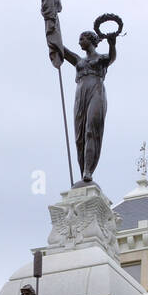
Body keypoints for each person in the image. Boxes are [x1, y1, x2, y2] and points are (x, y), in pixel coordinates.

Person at [62, 30, 117, 183]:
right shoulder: (79, 60)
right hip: (80, 96)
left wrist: (112, 43)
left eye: (82, 39)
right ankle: (83, 173)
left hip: (96, 93)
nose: (79, 42)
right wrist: (51, 20)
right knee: (79, 138)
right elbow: (61, 49)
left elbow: (112, 57)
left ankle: (88, 171)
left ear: (91, 40)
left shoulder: (101, 59)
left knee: (90, 131)